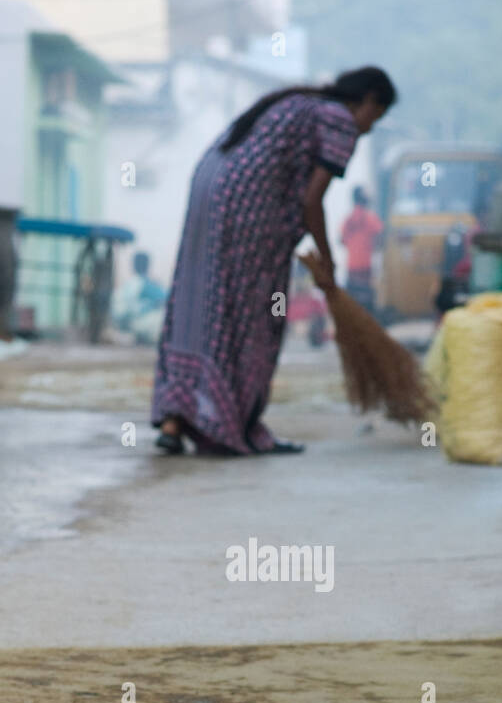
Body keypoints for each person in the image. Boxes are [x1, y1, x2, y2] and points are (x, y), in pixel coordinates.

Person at [152, 67, 397, 455]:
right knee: (254, 316)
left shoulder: (300, 102)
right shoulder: (339, 121)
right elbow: (311, 200)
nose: (368, 129)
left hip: (209, 185)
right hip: (250, 205)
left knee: (198, 301)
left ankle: (175, 418)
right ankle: (230, 425)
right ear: (367, 100)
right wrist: (328, 264)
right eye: (375, 116)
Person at [341, 186, 383, 313]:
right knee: (367, 304)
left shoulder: (348, 220)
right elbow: (380, 237)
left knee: (353, 304)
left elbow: (341, 240)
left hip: (352, 266)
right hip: (366, 266)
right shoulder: (370, 218)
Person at [113, 252, 168, 345]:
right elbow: (166, 298)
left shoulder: (127, 284)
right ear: (147, 265)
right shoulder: (145, 284)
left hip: (124, 323)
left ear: (133, 265)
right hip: (138, 322)